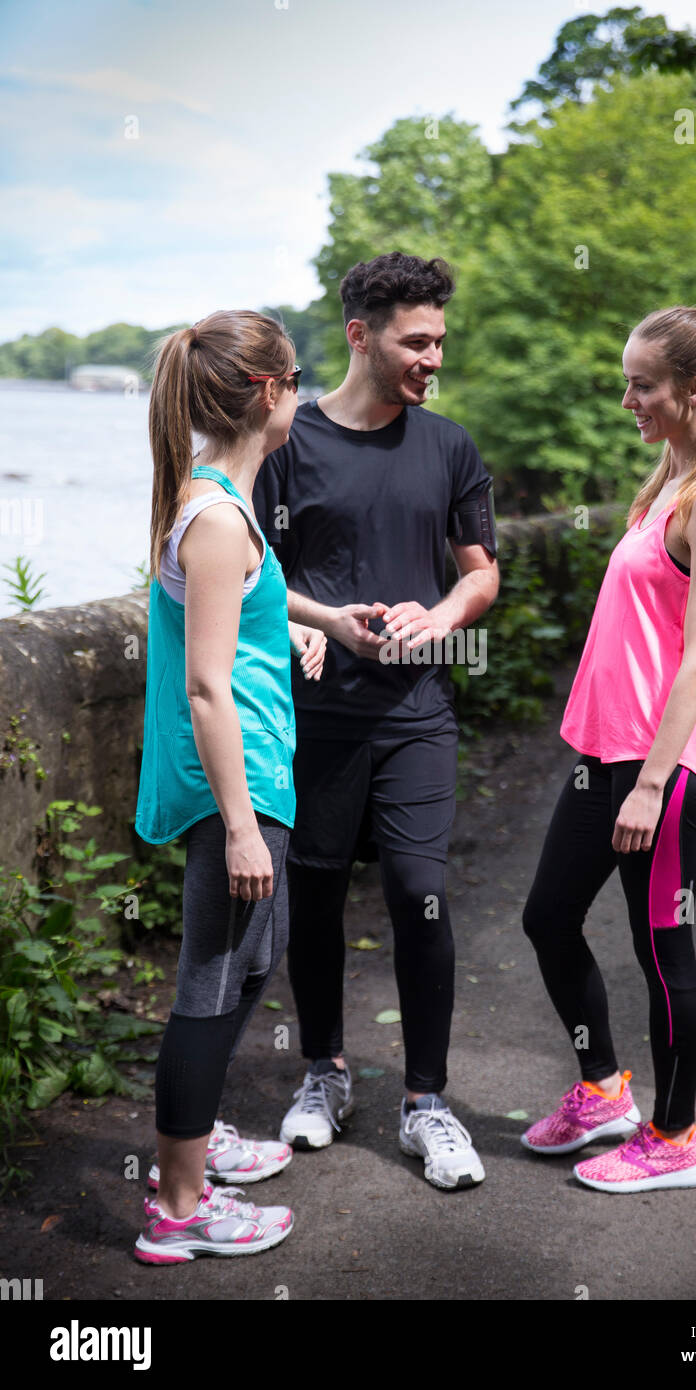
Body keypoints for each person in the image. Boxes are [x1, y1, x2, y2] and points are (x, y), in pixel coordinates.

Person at [253, 252, 499, 1190]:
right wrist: (309, 628)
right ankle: (324, 1072)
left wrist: (442, 615)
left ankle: (427, 1103)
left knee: (415, 889)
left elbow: (480, 569)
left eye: (439, 340)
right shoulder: (287, 446)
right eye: (417, 340)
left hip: (415, 712)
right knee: (310, 896)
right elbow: (252, 573)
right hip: (311, 716)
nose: (433, 356)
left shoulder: (449, 448)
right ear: (360, 335)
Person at [521, 305, 696, 1192]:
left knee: (663, 948)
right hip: (608, 749)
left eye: (643, 384)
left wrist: (652, 785)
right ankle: (603, 1090)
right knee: (548, 917)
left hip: (659, 765)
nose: (629, 397)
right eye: (627, 380)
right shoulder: (669, 474)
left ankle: (675, 1136)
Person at [133, 309, 329, 1261]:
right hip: (235, 785)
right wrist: (243, 829)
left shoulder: (218, 502)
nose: (304, 393)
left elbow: (230, 622)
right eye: (297, 379)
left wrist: (294, 627)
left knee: (258, 953)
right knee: (210, 980)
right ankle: (178, 1207)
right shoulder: (214, 516)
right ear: (268, 393)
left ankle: (197, 1139)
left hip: (258, 772)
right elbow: (208, 686)